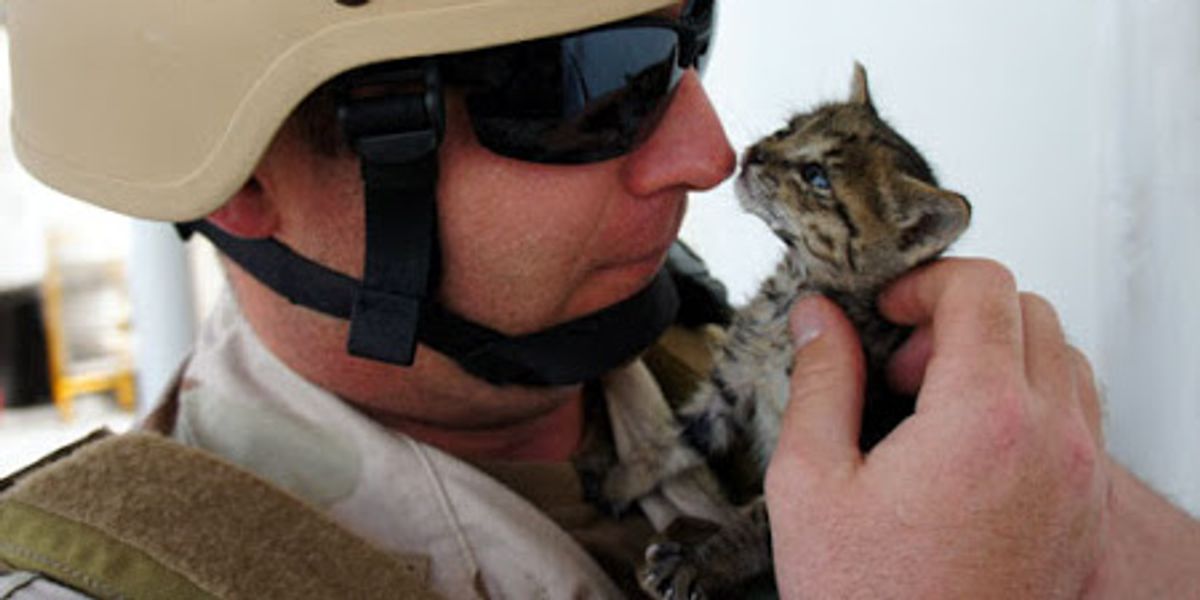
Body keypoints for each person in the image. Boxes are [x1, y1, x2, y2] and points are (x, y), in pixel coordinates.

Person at [1, 0, 1197, 598]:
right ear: (251, 181)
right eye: (591, 85)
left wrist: (1064, 501)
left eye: (686, 44)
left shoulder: (733, 357)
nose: (707, 152)